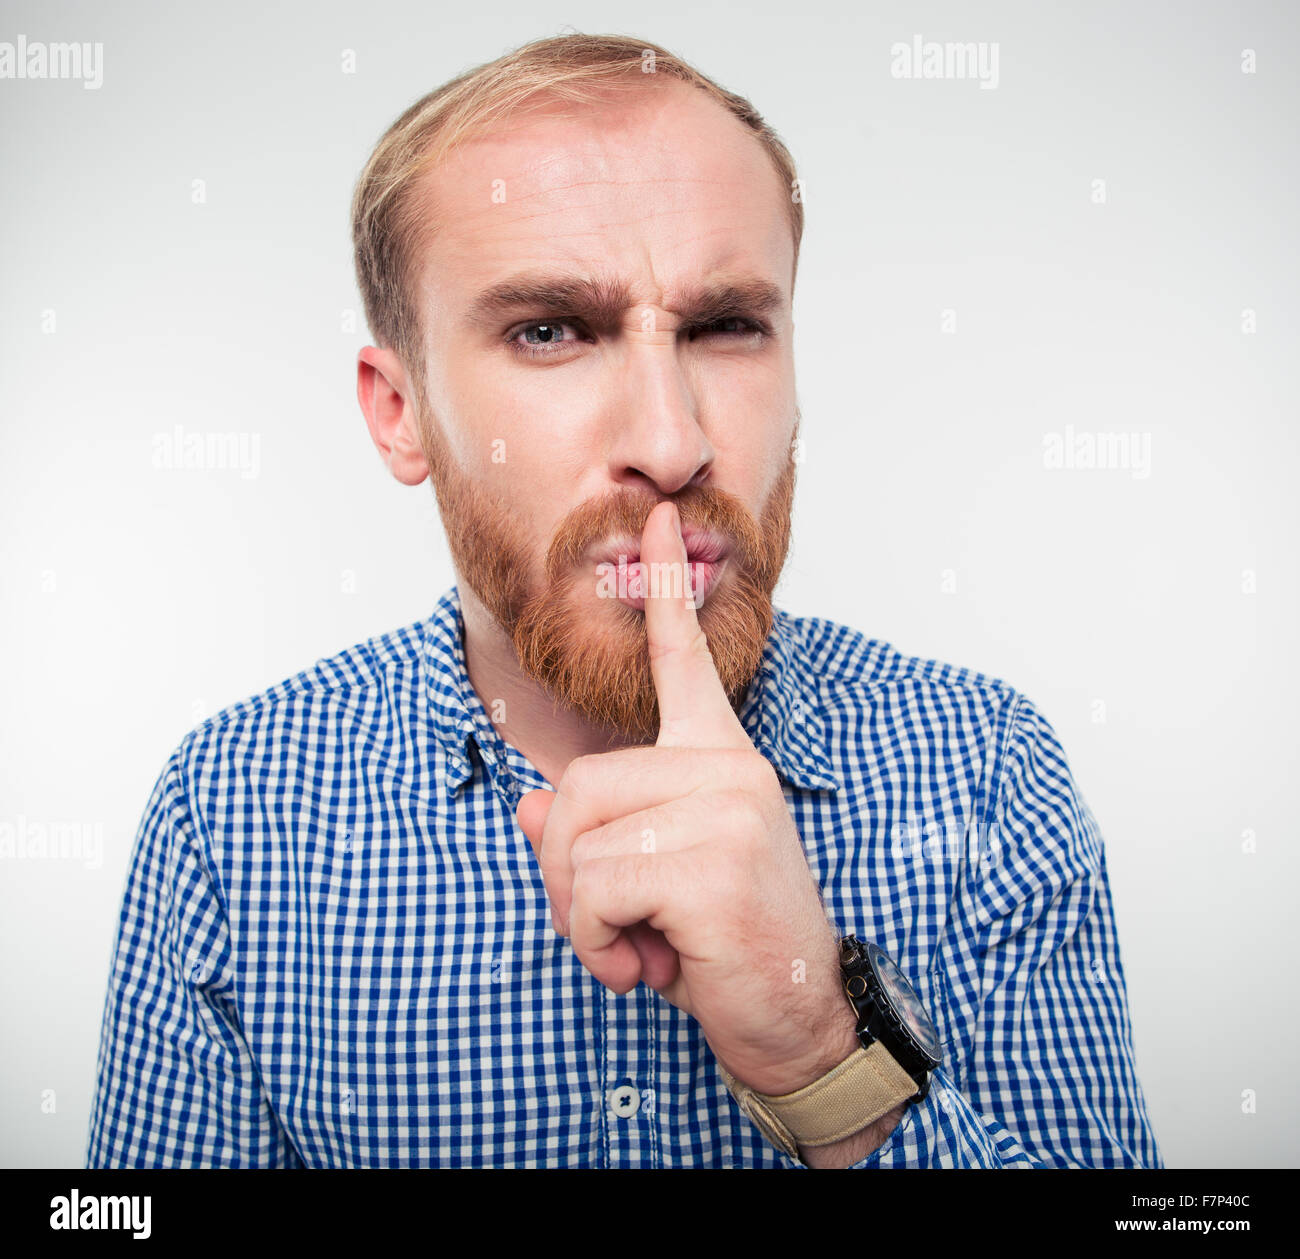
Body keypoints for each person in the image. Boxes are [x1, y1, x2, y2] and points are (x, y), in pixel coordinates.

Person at [87, 33, 1162, 1169]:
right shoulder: (232, 810)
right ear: (399, 411)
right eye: (550, 331)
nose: (670, 443)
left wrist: (818, 1055)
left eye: (725, 325)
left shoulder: (985, 772)